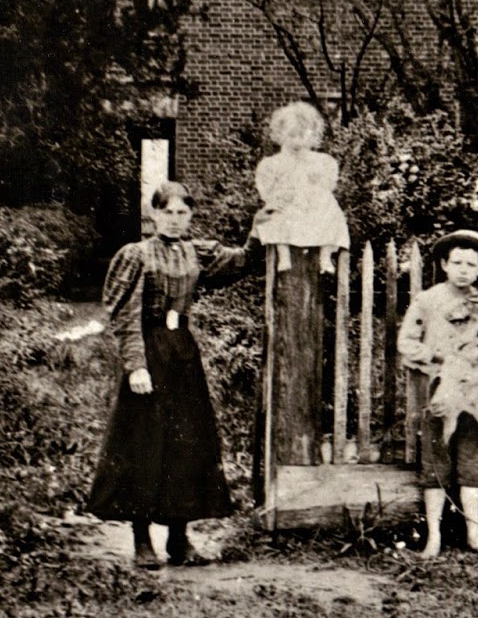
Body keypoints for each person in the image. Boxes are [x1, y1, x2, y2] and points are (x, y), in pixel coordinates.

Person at [87, 181, 261, 567]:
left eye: (183, 212)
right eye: (167, 212)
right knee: (144, 445)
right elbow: (123, 315)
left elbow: (242, 261)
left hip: (183, 352)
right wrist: (136, 365)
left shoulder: (194, 253)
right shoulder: (136, 255)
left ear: (191, 216)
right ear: (153, 214)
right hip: (149, 352)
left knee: (186, 445)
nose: (175, 219)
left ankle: (179, 540)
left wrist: (258, 229)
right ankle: (142, 541)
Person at [398, 229, 478, 558]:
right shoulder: (428, 301)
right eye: (457, 262)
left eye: (471, 264)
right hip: (438, 390)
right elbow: (406, 342)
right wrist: (438, 356)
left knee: (471, 459)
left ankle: (475, 535)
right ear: (444, 264)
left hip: (473, 395)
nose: (463, 269)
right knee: (436, 460)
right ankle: (433, 537)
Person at [254, 102, 350, 274]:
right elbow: (266, 188)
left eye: (303, 136)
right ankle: (284, 255)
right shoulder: (274, 163)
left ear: (312, 137)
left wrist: (317, 182)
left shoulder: (321, 161)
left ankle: (325, 256)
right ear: (280, 134)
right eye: (292, 135)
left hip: (312, 208)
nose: (297, 141)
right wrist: (275, 198)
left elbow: (328, 186)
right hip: (289, 207)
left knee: (332, 213)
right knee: (276, 215)